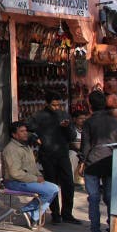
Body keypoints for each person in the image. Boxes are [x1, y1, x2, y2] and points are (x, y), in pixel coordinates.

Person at [28, 93, 80, 224]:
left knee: (68, 183)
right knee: (52, 185)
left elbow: (72, 136)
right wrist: (34, 139)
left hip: (63, 154)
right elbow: (25, 128)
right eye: (53, 105)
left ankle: (67, 213)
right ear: (47, 103)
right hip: (47, 155)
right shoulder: (38, 116)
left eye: (58, 104)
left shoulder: (64, 115)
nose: (56, 107)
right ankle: (55, 214)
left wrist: (67, 126)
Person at [79, 91, 117, 232]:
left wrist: (81, 162)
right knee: (110, 198)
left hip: (93, 163)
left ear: (90, 105)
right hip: (110, 162)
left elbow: (85, 146)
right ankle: (111, 231)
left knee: (94, 198)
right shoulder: (115, 121)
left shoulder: (89, 122)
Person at [2, 122, 60, 227]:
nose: (25, 133)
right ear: (14, 135)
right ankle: (28, 211)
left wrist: (38, 176)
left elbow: (32, 167)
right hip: (14, 182)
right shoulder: (11, 149)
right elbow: (15, 173)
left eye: (26, 131)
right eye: (22, 131)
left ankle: (34, 214)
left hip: (26, 180)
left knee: (54, 189)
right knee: (51, 189)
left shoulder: (26, 146)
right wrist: (35, 179)